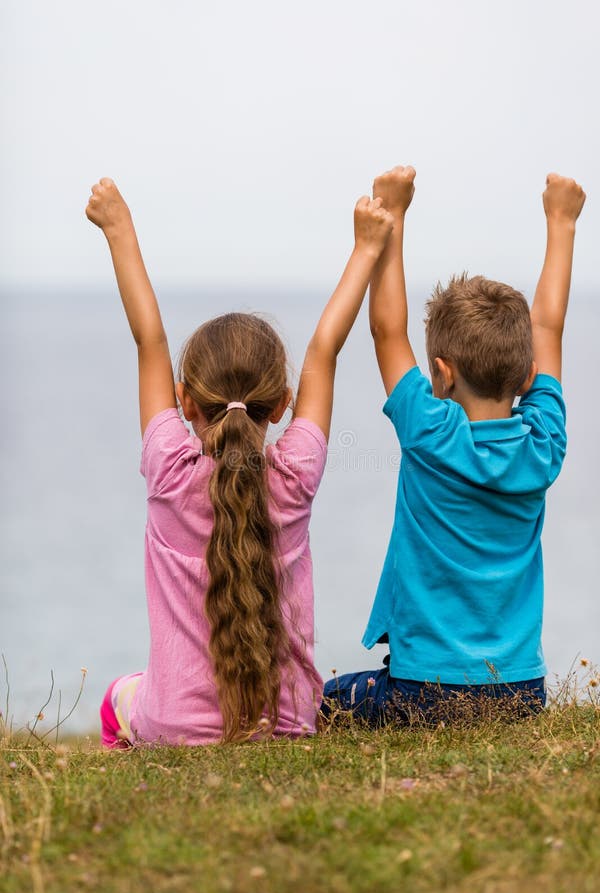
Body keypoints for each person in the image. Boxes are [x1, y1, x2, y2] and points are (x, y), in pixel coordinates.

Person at [86, 177, 394, 746]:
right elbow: (324, 352)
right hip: (290, 725)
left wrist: (119, 230)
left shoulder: (169, 472)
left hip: (175, 729)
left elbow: (148, 340)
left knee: (118, 695)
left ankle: (127, 762)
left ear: (184, 402)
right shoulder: (295, 475)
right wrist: (367, 250)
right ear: (281, 406)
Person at [322, 166, 586, 725]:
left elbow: (386, 331)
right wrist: (561, 223)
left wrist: (391, 217)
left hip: (421, 690)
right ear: (527, 378)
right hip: (521, 693)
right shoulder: (543, 442)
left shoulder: (429, 431)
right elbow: (550, 327)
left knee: (320, 699)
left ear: (440, 375)